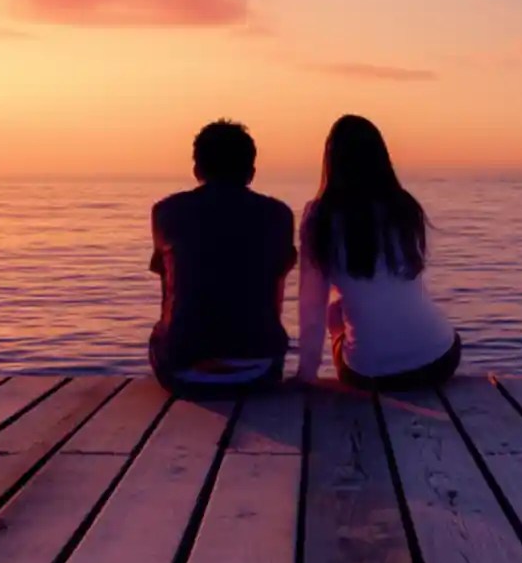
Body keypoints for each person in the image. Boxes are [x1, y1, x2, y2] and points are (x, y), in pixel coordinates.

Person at [296, 115, 460, 390]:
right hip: (440, 358)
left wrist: (306, 375)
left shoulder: (320, 216)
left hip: (370, 374)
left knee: (333, 313)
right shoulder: (405, 207)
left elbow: (312, 307)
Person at [148, 120, 296, 397]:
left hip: (183, 374)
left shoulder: (166, 212)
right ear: (251, 172)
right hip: (259, 370)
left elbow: (168, 290)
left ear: (196, 170)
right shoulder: (279, 214)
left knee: (160, 333)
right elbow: (276, 291)